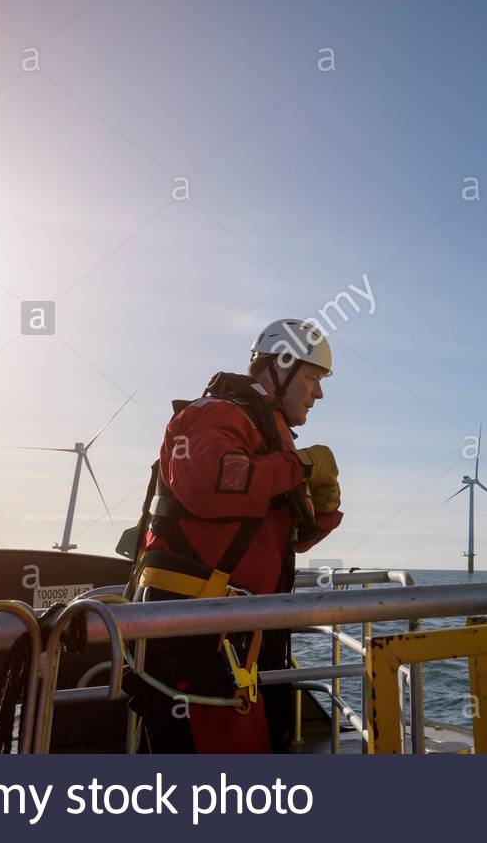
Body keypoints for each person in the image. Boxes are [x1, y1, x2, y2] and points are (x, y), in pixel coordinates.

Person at [121, 318, 343, 753]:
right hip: (190, 636)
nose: (319, 393)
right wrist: (300, 467)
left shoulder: (269, 434)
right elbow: (211, 484)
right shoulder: (214, 415)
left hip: (236, 637)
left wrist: (325, 507)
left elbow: (285, 538)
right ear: (280, 366)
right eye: (314, 378)